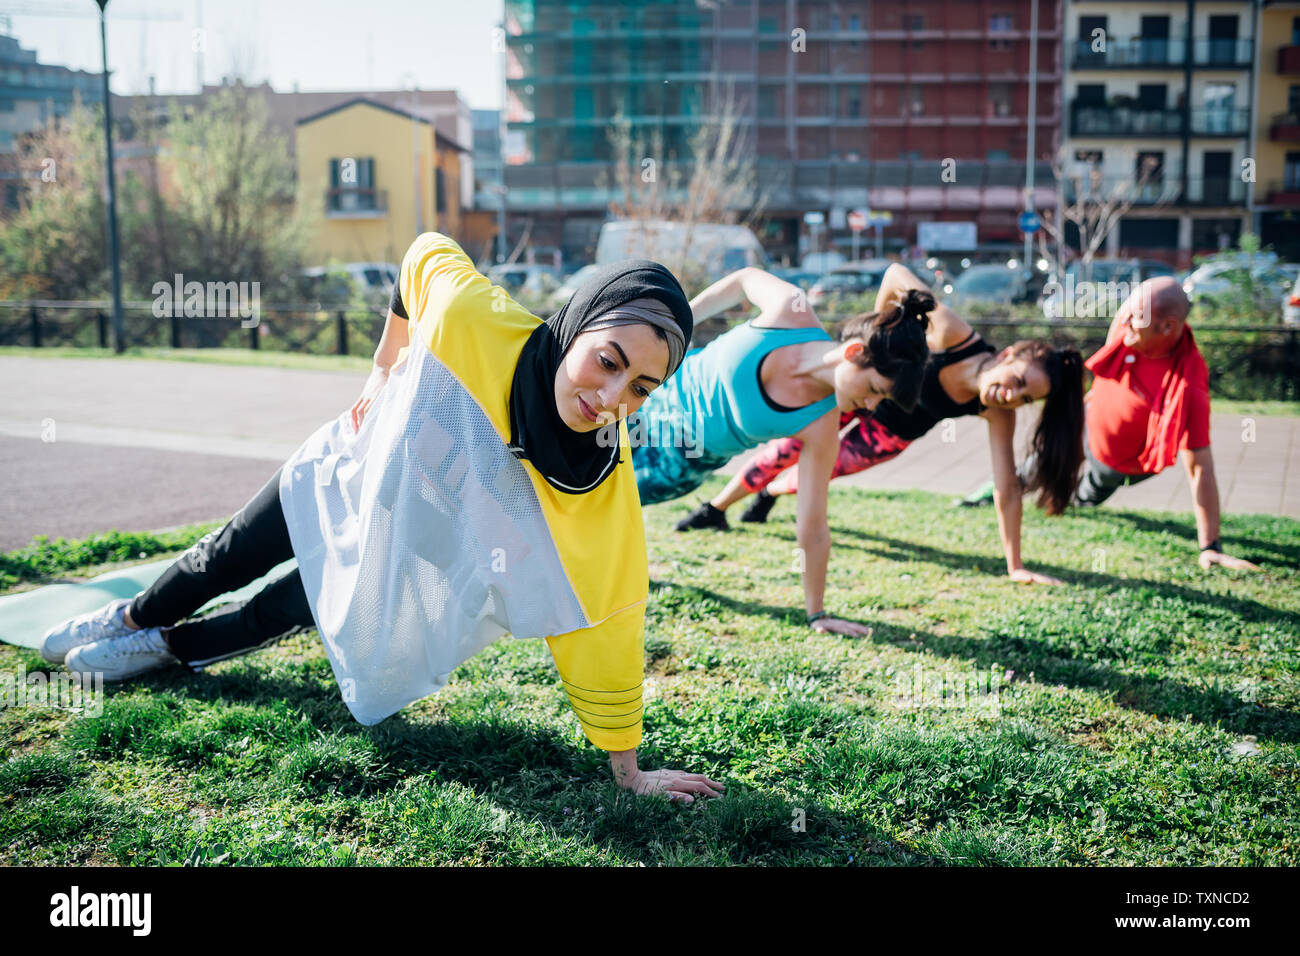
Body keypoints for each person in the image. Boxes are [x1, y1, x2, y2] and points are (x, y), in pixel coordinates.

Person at [42, 232, 725, 804]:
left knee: (283, 610)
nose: (609, 396)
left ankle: (164, 649)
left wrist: (628, 772)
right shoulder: (471, 318)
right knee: (225, 554)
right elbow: (424, 256)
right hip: (344, 471)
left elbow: (608, 613)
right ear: (578, 321)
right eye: (608, 361)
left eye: (640, 388)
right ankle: (132, 619)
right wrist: (382, 366)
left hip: (400, 537)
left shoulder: (597, 476)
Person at [687, 263, 1086, 585]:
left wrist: (1014, 565)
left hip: (889, 434)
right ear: (1009, 354)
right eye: (1018, 381)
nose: (1012, 396)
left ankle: (771, 492)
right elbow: (895, 273)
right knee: (785, 450)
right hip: (861, 390)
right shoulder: (952, 332)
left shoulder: (998, 412)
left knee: (819, 473)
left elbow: (1006, 488)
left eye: (1027, 399)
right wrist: (877, 332)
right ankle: (715, 509)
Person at [627, 266, 931, 635]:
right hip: (650, 397)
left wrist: (817, 613)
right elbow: (742, 279)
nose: (868, 405)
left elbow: (813, 524)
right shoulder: (791, 311)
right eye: (874, 389)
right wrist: (679, 325)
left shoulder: (822, 426)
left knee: (592, 496)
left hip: (676, 463)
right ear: (854, 352)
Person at [1008, 276, 1258, 571]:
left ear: (1166, 327)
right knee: (1038, 463)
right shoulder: (1129, 330)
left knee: (1080, 494)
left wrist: (1210, 546)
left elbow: (1199, 465)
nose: (1125, 319)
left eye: (1137, 315)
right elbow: (1134, 307)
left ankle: (1071, 497)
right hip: (1085, 425)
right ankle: (1000, 489)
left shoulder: (1188, 383)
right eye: (1128, 308)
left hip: (1112, 466)